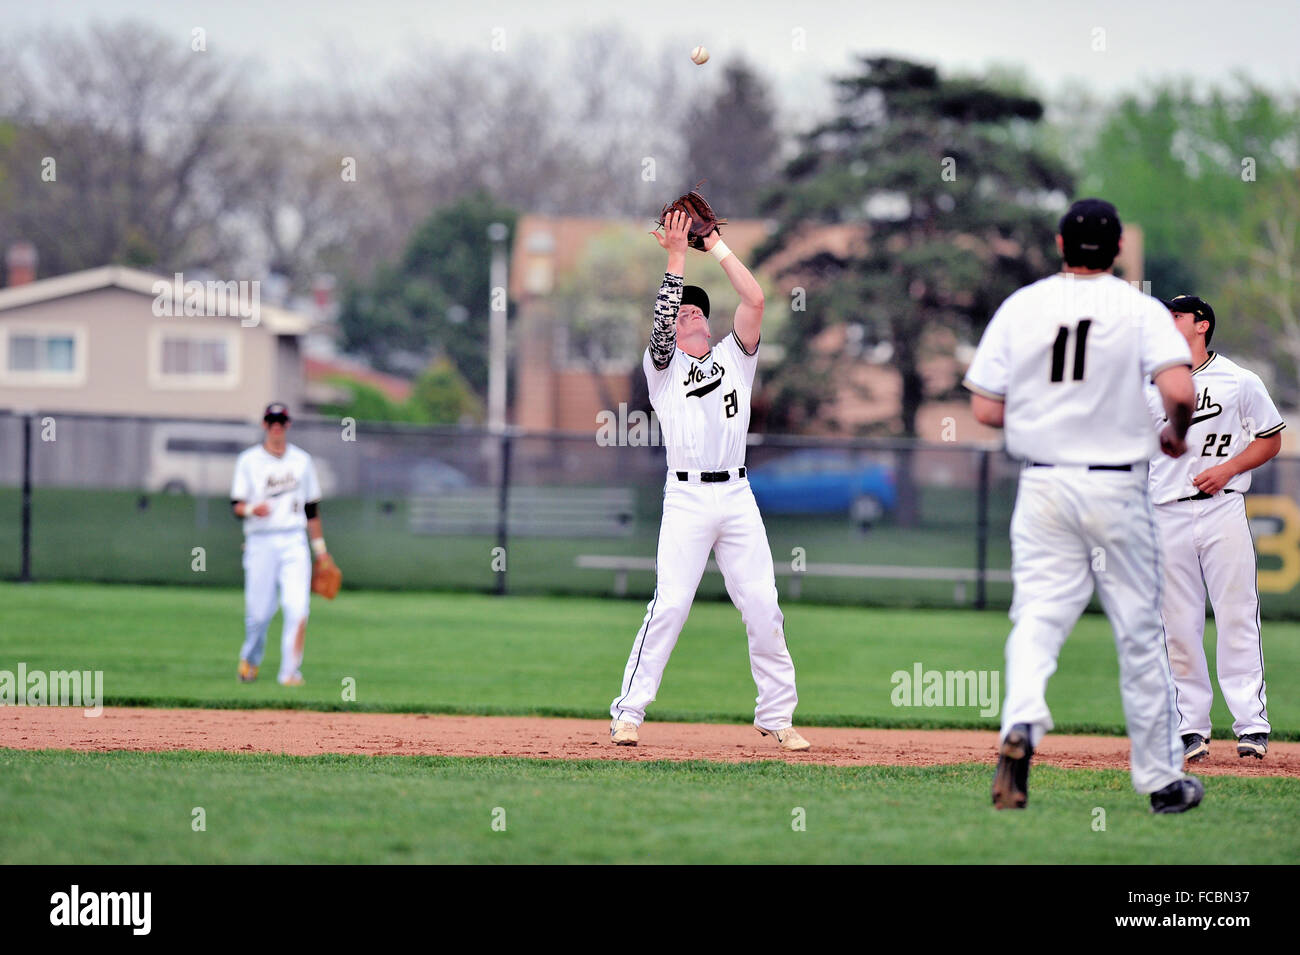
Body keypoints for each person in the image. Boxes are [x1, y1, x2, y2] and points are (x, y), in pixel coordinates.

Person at [964, 198, 1204, 813]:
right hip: (1116, 485)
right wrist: (1174, 432)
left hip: (1043, 483)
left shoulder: (1025, 305)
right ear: (1119, 247)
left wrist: (1048, 412)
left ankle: (1019, 726)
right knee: (1139, 633)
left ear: (1059, 243)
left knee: (1038, 617)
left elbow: (986, 409)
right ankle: (1159, 780)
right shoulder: (1138, 308)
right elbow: (1179, 388)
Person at [608, 209, 808, 751]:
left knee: (763, 605)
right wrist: (675, 256)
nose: (689, 313)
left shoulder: (734, 358)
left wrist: (715, 244)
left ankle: (777, 716)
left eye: (697, 308)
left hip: (738, 496)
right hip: (689, 496)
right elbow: (658, 322)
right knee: (670, 605)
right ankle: (628, 713)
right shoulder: (663, 372)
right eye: (681, 310)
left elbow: (756, 300)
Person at [1145, 294, 1283, 762]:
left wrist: (1227, 470)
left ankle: (1251, 725)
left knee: (1237, 614)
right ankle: (1191, 728)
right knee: (1178, 625)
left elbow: (1269, 439)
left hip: (1222, 507)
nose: (1168, 321)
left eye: (1177, 315)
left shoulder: (1239, 380)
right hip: (1164, 511)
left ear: (1202, 325)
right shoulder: (1148, 384)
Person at [230, 402, 329, 687]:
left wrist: (320, 549)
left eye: (281, 421)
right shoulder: (248, 461)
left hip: (294, 540)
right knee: (259, 615)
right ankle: (250, 660)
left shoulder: (302, 461)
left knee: (298, 608)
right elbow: (236, 505)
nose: (276, 425)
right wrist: (251, 510)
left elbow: (311, 509)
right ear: (264, 424)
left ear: (287, 425)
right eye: (271, 420)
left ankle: (289, 673)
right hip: (260, 541)